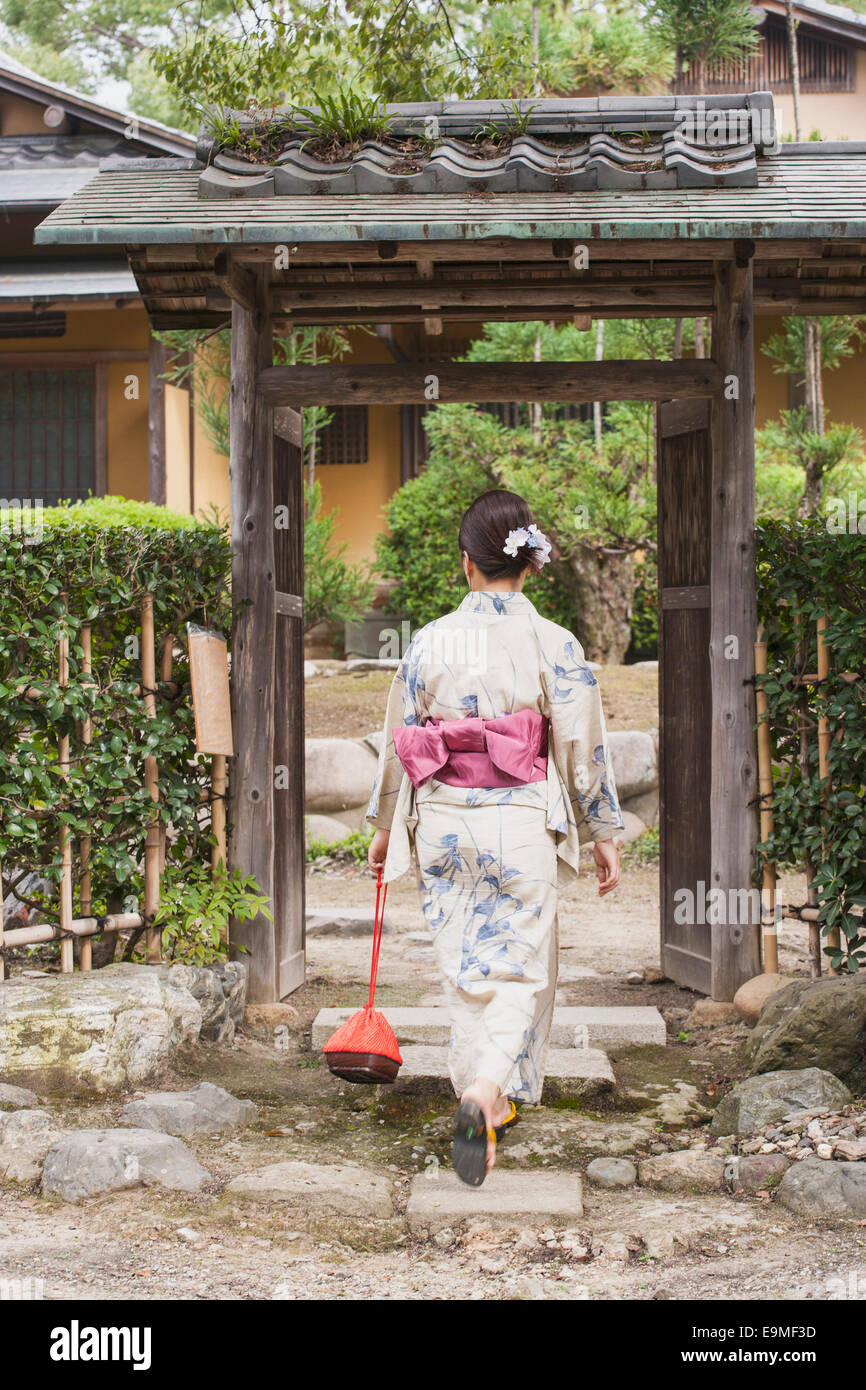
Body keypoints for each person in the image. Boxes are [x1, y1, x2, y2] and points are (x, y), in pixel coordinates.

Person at [366, 489, 624, 1187]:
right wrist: (602, 829)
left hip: (445, 816)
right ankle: (486, 1093)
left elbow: (400, 737)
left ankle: (487, 1098)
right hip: (520, 819)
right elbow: (580, 742)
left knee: (463, 965)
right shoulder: (554, 642)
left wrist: (386, 827)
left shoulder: (429, 641)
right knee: (518, 964)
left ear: (466, 565)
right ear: (531, 566)